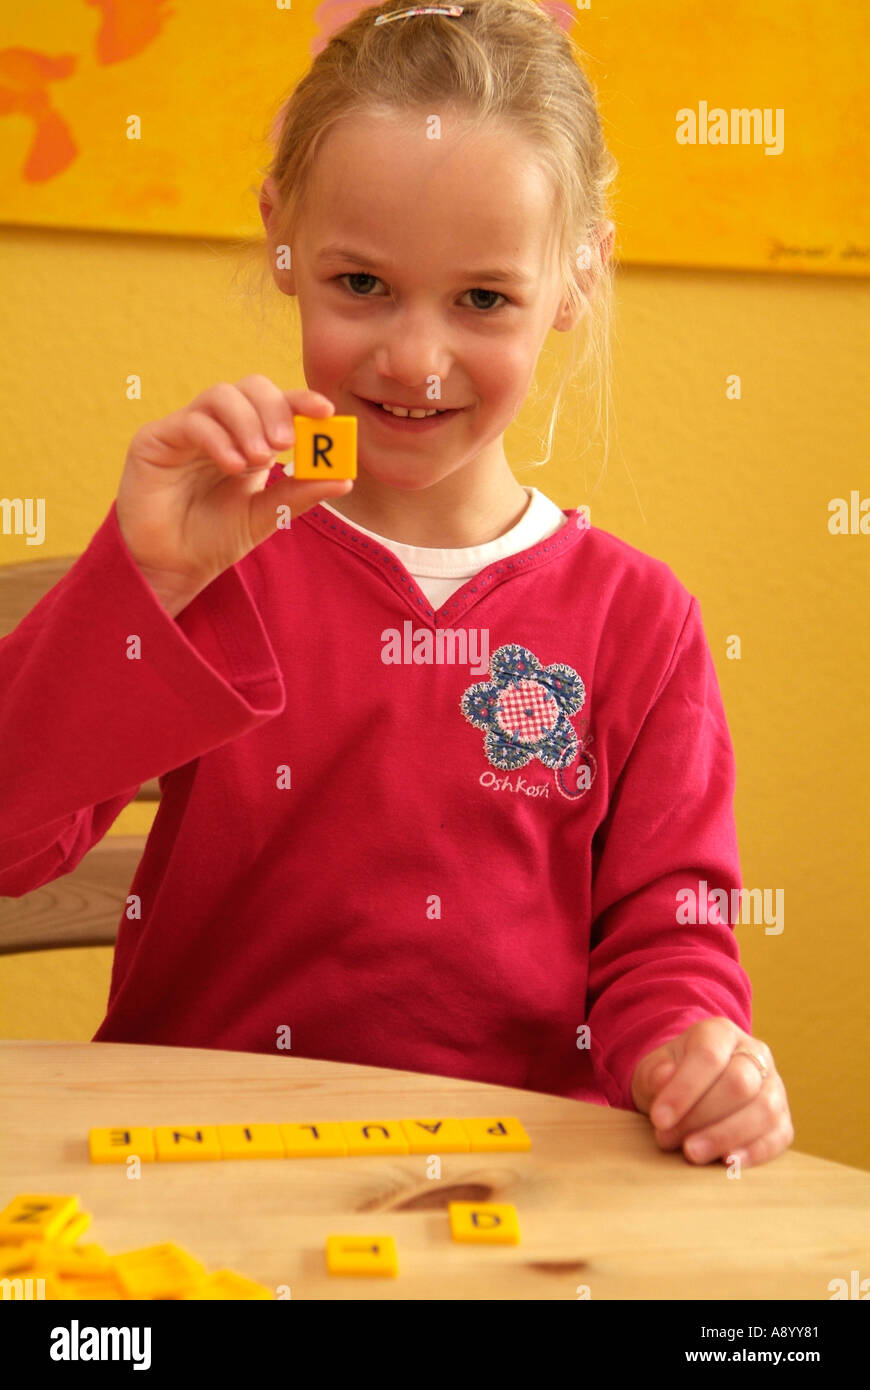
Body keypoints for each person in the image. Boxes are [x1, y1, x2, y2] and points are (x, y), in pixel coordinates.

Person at [0, 0, 793, 1168]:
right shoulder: (218, 551)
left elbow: (666, 939)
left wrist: (688, 1044)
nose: (415, 359)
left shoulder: (642, 622)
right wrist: (146, 587)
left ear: (577, 280)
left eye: (482, 299)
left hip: (508, 1193)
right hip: (186, 1175)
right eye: (362, 283)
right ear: (280, 242)